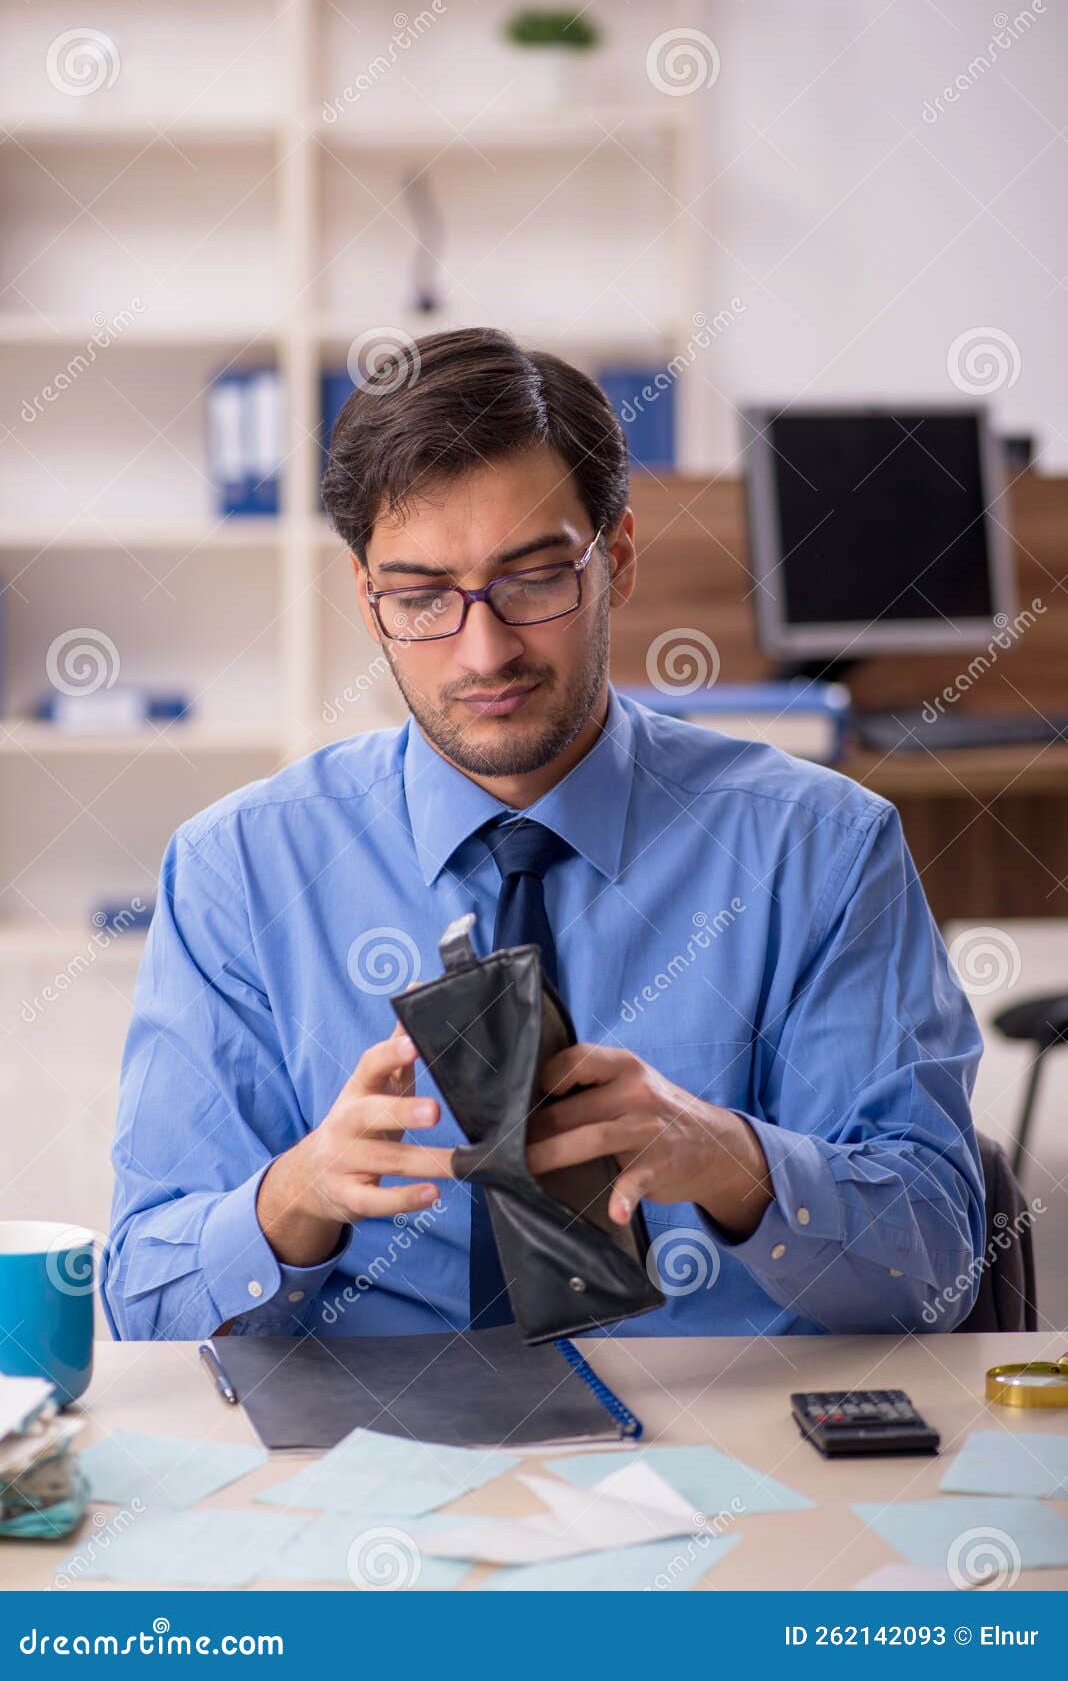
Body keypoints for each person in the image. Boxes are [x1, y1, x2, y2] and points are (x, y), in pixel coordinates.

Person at [103, 327, 984, 1342]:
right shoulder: (239, 871)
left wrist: (735, 1161)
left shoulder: (821, 850)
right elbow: (140, 1305)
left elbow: (941, 1272)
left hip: (724, 1462)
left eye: (531, 579)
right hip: (369, 1469)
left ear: (615, 554)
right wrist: (294, 1197)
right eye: (424, 596)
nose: (485, 651)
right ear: (368, 600)